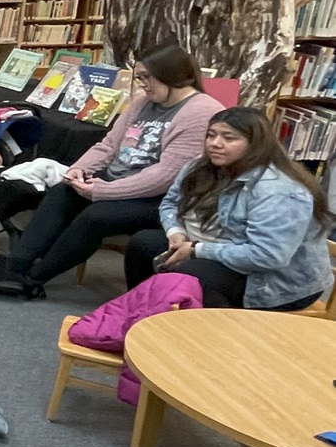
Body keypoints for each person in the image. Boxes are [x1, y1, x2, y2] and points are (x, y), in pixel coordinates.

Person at [0, 44, 226, 297]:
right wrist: (78, 170)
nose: (141, 84)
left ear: (171, 76)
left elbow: (164, 177)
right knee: (63, 191)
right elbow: (109, 145)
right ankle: (16, 265)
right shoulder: (144, 103)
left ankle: (32, 279)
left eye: (146, 77)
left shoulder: (200, 112)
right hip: (119, 183)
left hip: (160, 200)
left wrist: (102, 191)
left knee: (96, 215)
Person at [124, 108, 334, 309]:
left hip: (274, 284)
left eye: (229, 138)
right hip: (217, 247)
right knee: (143, 244)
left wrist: (197, 250)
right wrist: (175, 232)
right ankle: (142, 316)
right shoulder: (200, 165)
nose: (215, 144)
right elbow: (171, 202)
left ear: (255, 144)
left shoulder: (277, 190)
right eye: (211, 135)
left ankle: (206, 337)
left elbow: (267, 256)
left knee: (194, 275)